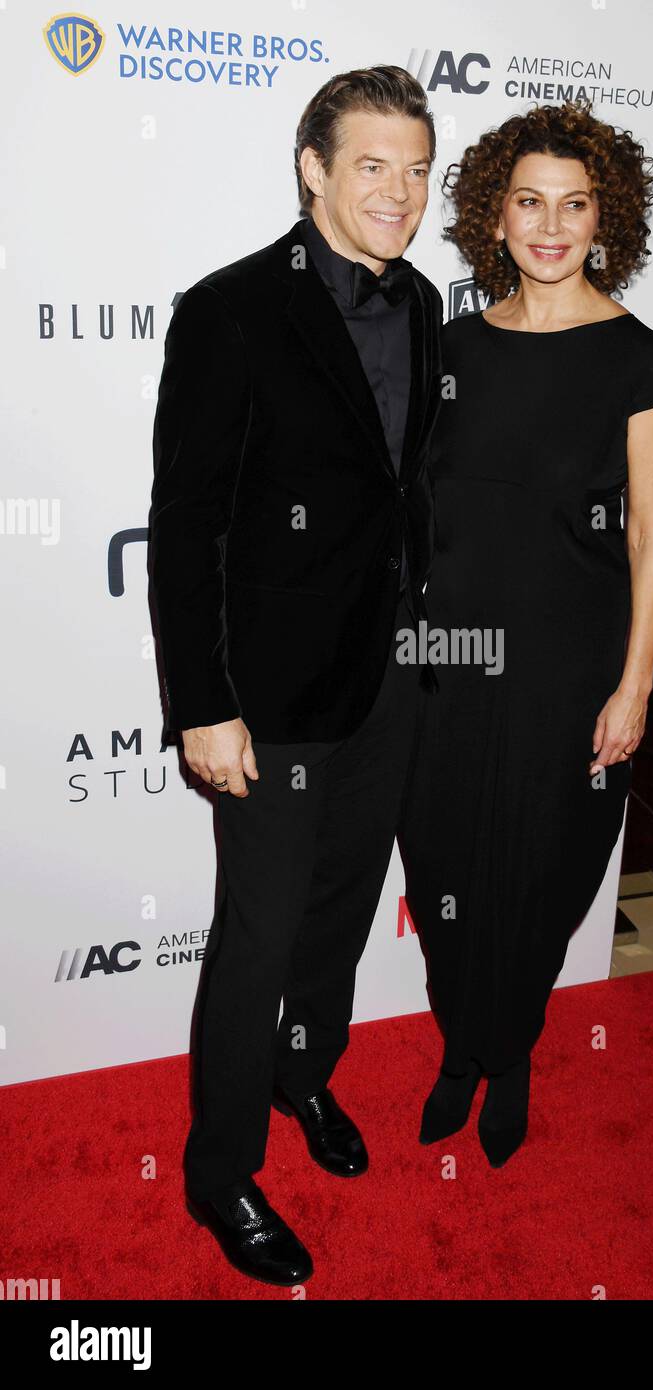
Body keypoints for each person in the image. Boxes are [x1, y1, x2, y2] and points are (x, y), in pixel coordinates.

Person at [148, 66, 444, 1286]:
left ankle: (301, 1077)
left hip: (385, 681)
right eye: (371, 164)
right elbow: (187, 525)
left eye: (418, 168)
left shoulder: (424, 303)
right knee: (257, 940)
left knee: (336, 921)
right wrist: (203, 702)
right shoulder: (228, 311)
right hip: (264, 701)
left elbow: (402, 498)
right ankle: (219, 1174)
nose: (399, 191)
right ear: (312, 168)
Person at [398, 99, 653, 1168]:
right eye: (529, 201)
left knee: (540, 868)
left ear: (603, 218)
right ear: (495, 213)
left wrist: (634, 686)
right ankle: (457, 1047)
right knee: (438, 863)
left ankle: (505, 1052)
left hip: (570, 665)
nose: (549, 224)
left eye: (573, 204)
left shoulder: (637, 361)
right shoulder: (452, 345)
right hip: (445, 660)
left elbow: (651, 539)